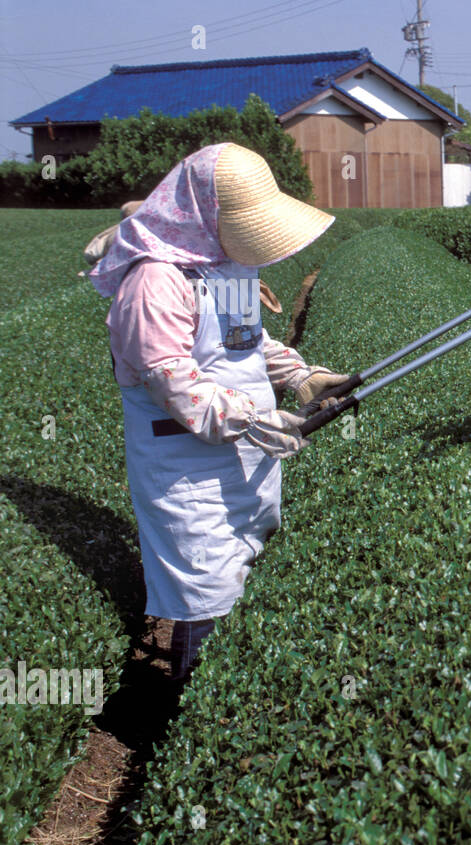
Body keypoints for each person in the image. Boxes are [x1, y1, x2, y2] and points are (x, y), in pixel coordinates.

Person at [89, 142, 348, 682]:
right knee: (209, 594)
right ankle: (190, 712)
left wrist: (299, 376)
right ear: (205, 213)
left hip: (246, 462)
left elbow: (249, 342)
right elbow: (174, 385)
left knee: (246, 574)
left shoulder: (224, 264)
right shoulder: (153, 283)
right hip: (187, 471)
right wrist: (255, 421)